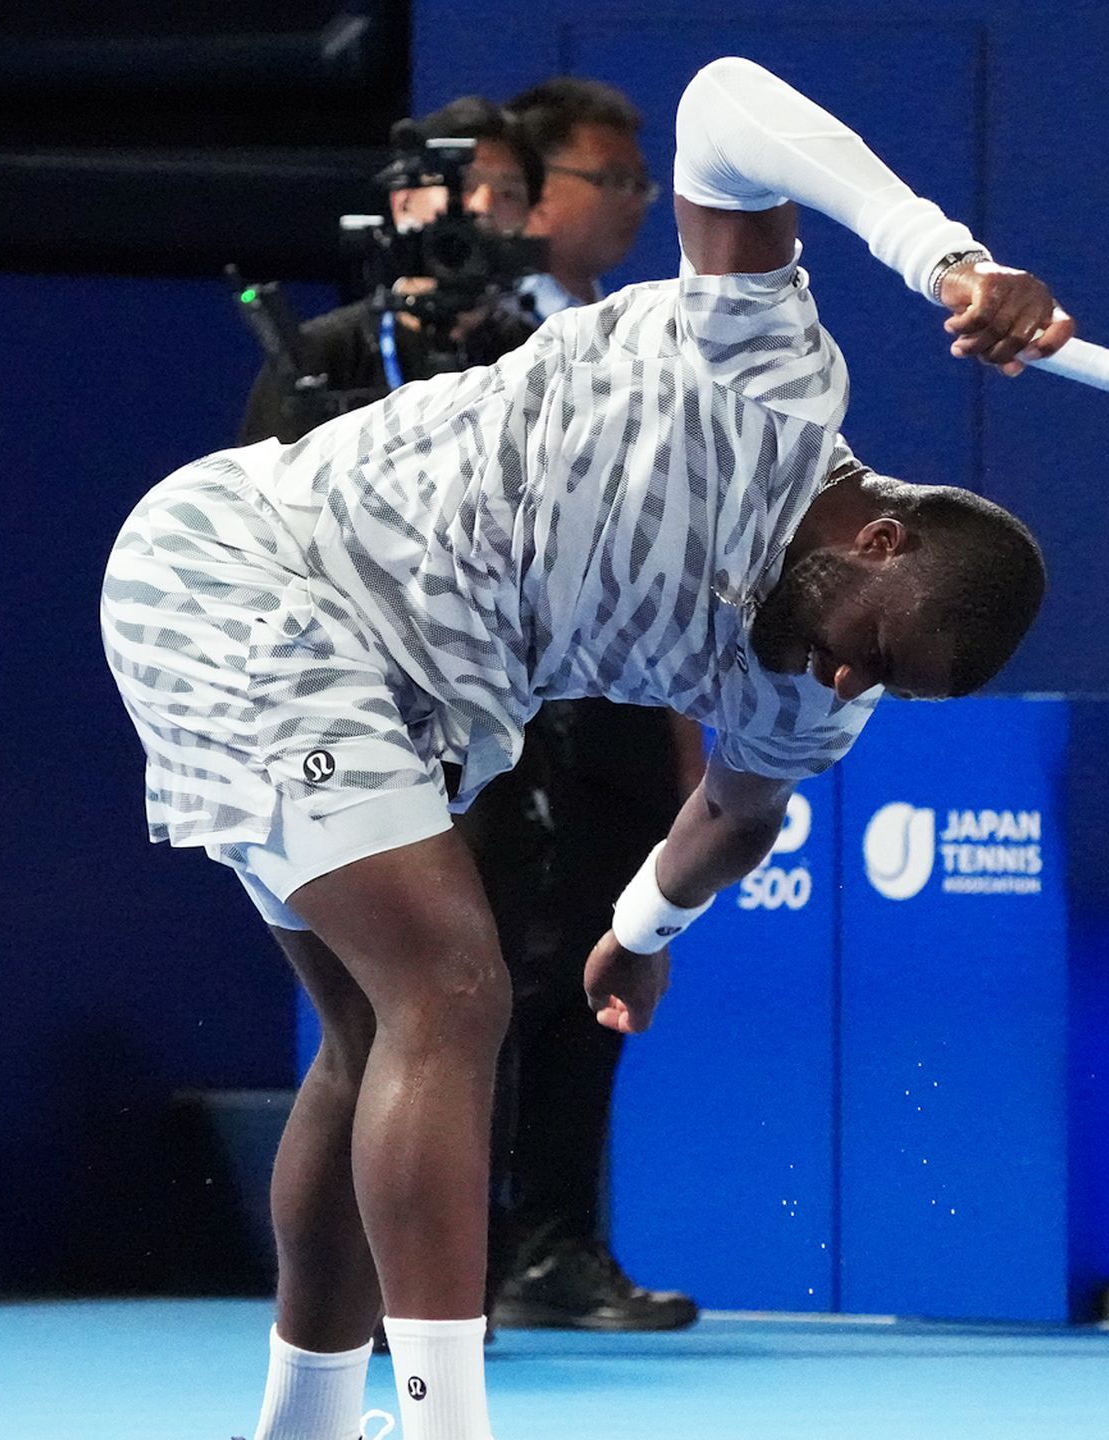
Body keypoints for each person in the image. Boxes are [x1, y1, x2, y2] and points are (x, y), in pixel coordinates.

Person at [103, 55, 1066, 1440]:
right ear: (880, 536)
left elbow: (734, 814)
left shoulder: (814, 683)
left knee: (375, 1034)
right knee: (450, 987)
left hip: (410, 697)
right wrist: (944, 254)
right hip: (262, 568)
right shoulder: (769, 376)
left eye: (884, 689)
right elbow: (726, 100)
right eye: (875, 645)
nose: (851, 679)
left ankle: (300, 1428)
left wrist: (641, 930)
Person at [484, 72, 705, 1335]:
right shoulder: (467, 340)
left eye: (640, 180)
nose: (633, 201)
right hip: (504, 715)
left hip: (615, 713)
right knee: (490, 990)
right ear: (530, 192)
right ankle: (458, 1254)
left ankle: (556, 1249)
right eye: (607, 178)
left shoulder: (627, 338)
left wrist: (679, 731)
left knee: (593, 982)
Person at [238, 95, 541, 447]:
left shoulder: (535, 358)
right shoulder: (323, 354)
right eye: (463, 184)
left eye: (509, 193)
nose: (483, 205)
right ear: (402, 202)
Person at [507, 77, 658, 319]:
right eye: (614, 180)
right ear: (533, 184)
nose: (635, 203)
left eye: (640, 184)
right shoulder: (480, 320)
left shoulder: (627, 325)